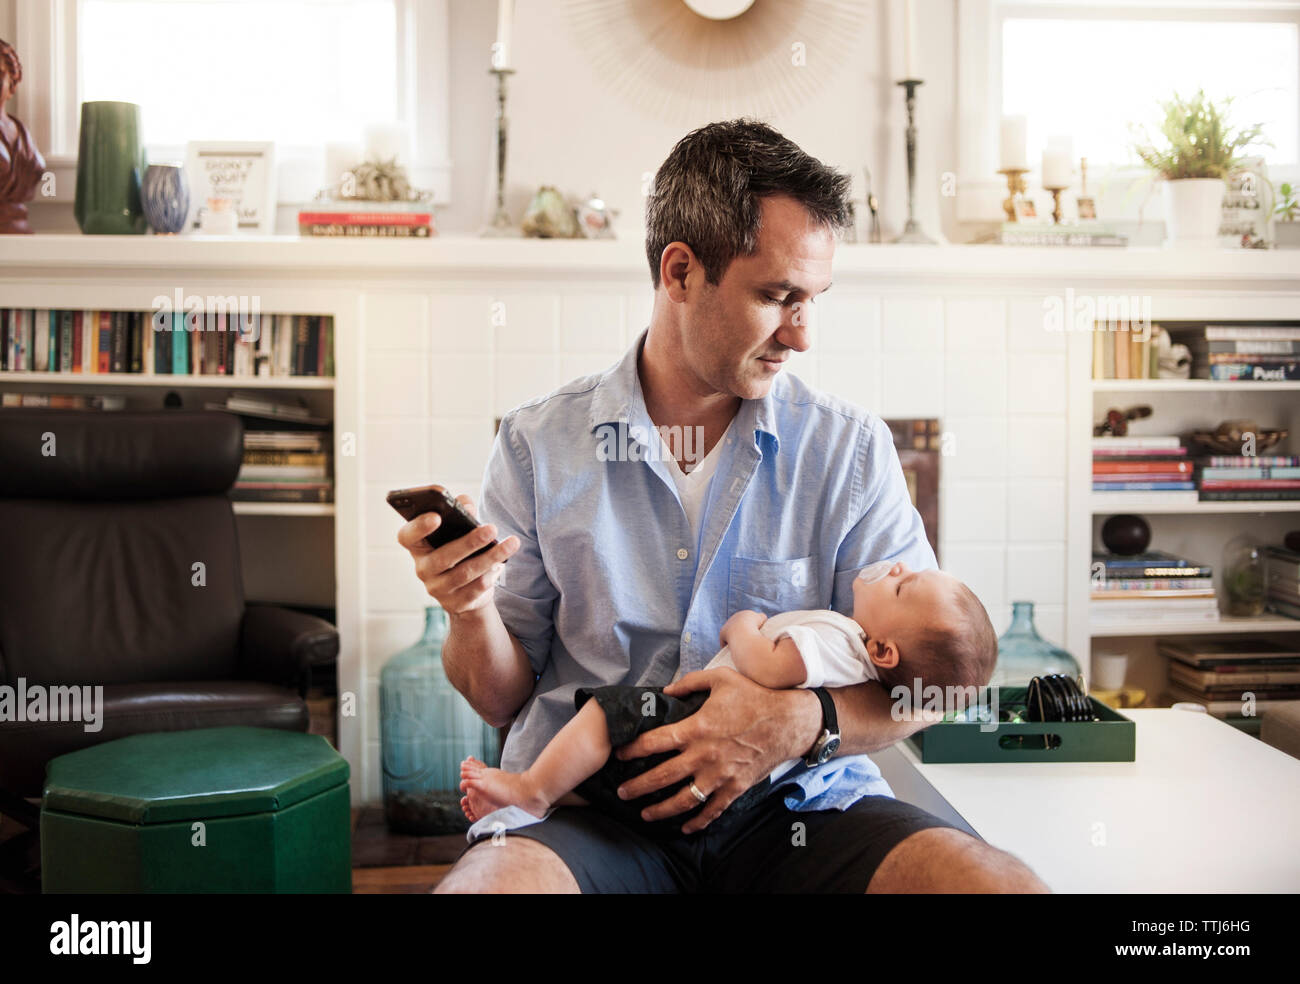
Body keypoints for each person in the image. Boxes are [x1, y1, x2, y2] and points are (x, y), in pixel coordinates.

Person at [398, 118, 1049, 893]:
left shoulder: (849, 450)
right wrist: (469, 610)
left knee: (996, 885)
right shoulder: (538, 446)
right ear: (679, 272)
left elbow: (934, 689)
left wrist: (803, 722)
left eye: (813, 300)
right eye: (778, 297)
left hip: (797, 803)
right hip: (589, 813)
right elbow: (498, 695)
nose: (801, 336)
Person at [457, 557, 997, 834]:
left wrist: (743, 625)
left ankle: (532, 789)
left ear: (883, 652)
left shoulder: (839, 642)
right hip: (743, 793)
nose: (898, 567)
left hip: (700, 715)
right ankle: (557, 791)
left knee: (607, 712)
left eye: (903, 587)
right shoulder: (856, 649)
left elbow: (771, 665)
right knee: (623, 774)